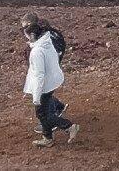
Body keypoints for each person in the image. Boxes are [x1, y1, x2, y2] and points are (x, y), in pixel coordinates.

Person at [22, 14, 80, 147]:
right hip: (53, 80)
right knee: (44, 111)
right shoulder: (48, 39)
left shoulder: (36, 52)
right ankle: (47, 138)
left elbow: (38, 75)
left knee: (43, 115)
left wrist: (35, 96)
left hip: (44, 85)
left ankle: (69, 126)